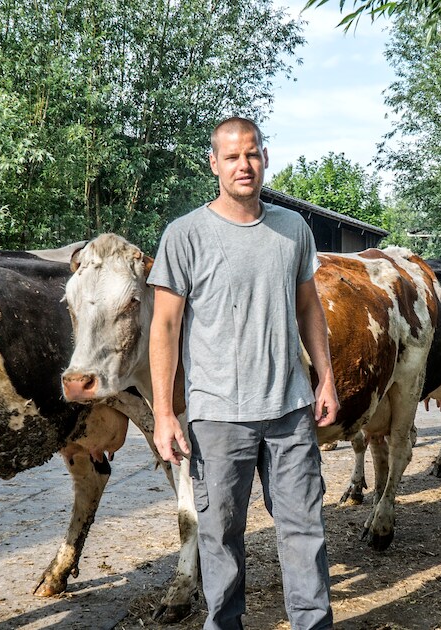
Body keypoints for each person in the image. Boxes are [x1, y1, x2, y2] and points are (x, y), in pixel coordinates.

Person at [147, 116, 340, 630]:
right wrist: (164, 413)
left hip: (290, 409)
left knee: (304, 530)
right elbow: (164, 327)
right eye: (231, 156)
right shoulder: (185, 235)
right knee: (220, 535)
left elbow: (308, 308)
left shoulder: (292, 229)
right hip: (217, 416)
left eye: (251, 154)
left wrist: (325, 378)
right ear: (213, 164)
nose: (243, 165)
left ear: (265, 157)